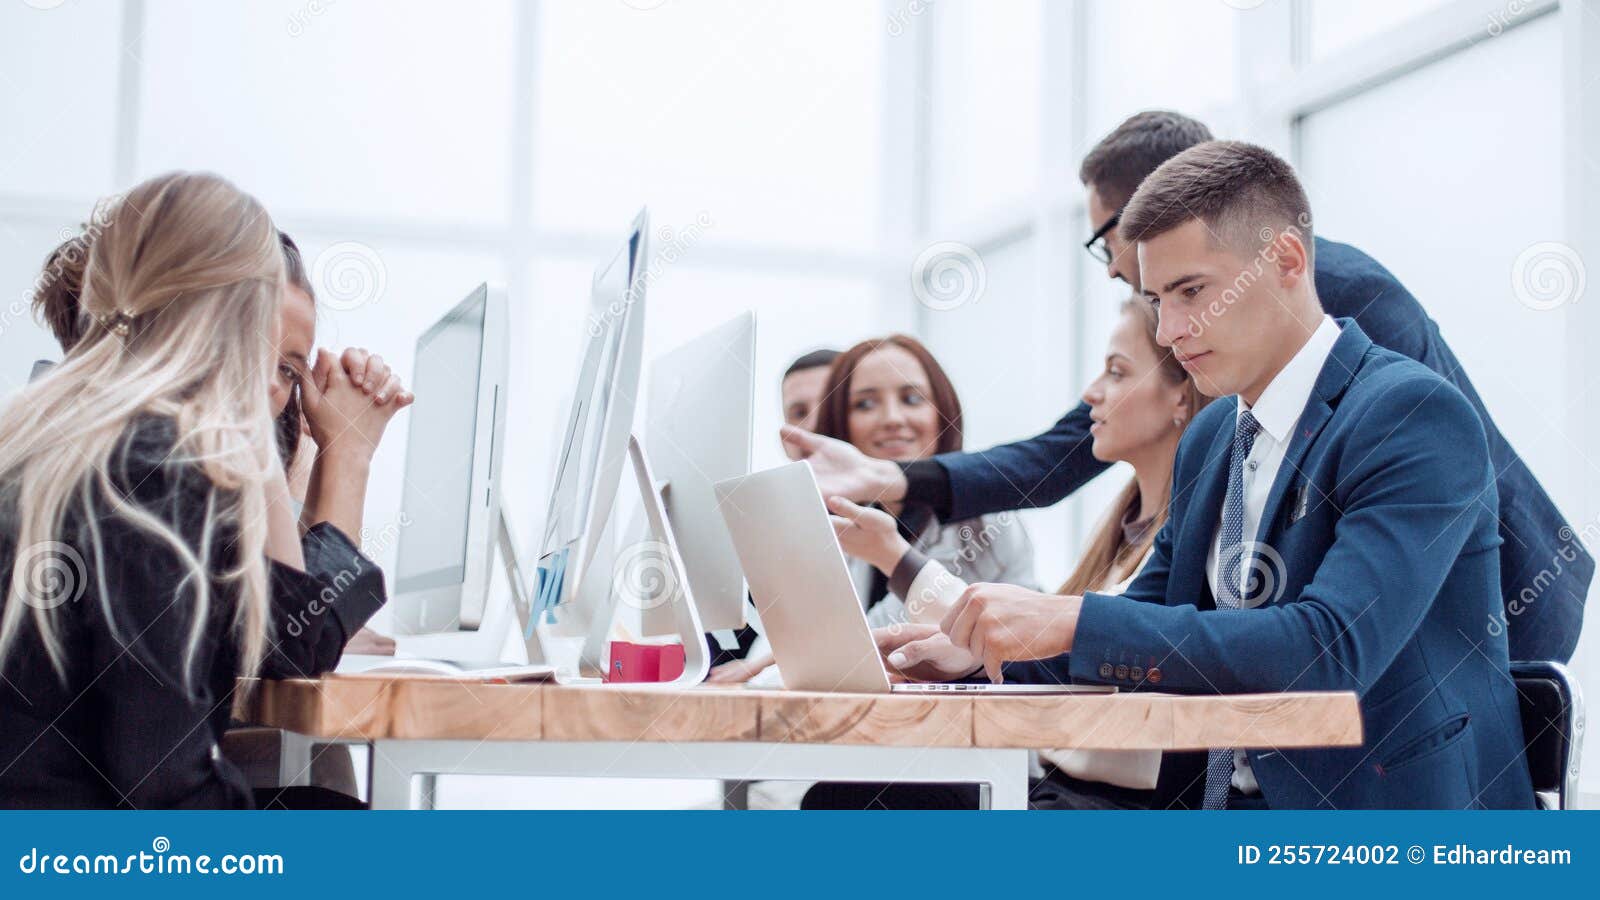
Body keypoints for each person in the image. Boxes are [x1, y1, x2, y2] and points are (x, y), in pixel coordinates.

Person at [784, 110, 1589, 665]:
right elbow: (1074, 457)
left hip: (1494, 615)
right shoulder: (1216, 414)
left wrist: (1066, 623)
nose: (1112, 270)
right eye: (1158, 297)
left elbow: (1399, 486)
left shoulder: (1355, 316)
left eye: (1108, 238)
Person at [885, 142, 1535, 810]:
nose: (1168, 331)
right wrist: (991, 650)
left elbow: (1327, 650)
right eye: (1157, 299)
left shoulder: (1412, 416)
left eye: (1192, 291)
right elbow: (1153, 617)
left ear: (1286, 260)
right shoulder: (1213, 435)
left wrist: (1068, 621)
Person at [0, 172, 399, 808]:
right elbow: (165, 789)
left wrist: (273, 446)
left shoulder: (58, 436)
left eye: (288, 373)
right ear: (231, 326)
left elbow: (285, 641)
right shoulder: (151, 470)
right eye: (270, 360)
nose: (278, 392)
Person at [808, 299, 1211, 810]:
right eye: (865, 404)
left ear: (1182, 396)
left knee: (848, 804)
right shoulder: (1117, 534)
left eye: (1115, 372)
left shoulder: (1184, 543)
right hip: (1051, 782)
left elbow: (1087, 657)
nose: (1089, 394)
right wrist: (966, 662)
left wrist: (900, 565)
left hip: (1082, 793)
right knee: (842, 798)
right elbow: (1052, 660)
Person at [714, 334, 1035, 686]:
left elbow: (866, 652)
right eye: (865, 405)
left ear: (942, 410)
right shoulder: (858, 516)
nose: (892, 419)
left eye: (912, 399)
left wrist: (762, 671)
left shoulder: (981, 520)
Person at [706, 348, 841, 678]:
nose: (811, 427)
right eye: (797, 412)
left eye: (828, 406)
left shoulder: (894, 518)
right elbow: (721, 660)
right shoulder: (773, 530)